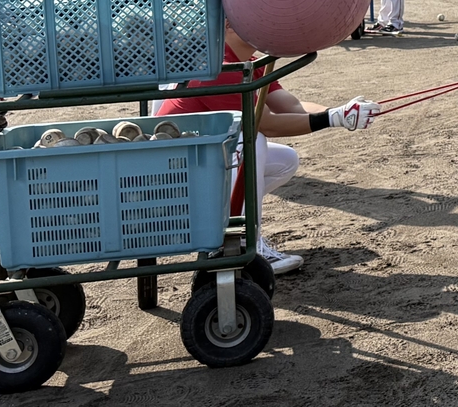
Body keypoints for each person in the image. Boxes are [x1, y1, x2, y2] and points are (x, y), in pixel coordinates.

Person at [156, 22, 381, 274]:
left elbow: (292, 106)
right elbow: (266, 124)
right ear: (228, 26)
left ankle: (223, 227)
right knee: (253, 139)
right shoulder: (220, 67)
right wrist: (332, 119)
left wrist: (341, 113)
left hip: (196, 163)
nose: (261, 24)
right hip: (172, 179)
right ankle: (244, 244)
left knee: (285, 159)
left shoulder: (247, 62)